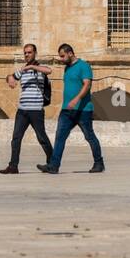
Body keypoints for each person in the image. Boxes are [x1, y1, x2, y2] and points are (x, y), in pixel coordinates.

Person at [38, 43, 104, 174]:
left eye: (63, 56)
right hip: (67, 110)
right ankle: (54, 166)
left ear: (70, 53)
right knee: (60, 136)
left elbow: (87, 85)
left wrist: (76, 99)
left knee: (89, 136)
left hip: (83, 110)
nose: (61, 59)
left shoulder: (84, 66)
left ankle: (99, 163)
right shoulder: (67, 68)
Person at [0, 43, 53, 174]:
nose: (27, 55)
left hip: (36, 110)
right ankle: (13, 166)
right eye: (25, 53)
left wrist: (31, 66)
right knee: (16, 138)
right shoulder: (22, 70)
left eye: (29, 52)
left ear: (35, 53)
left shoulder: (39, 69)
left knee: (41, 137)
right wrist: (9, 79)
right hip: (22, 110)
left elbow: (49, 71)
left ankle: (52, 162)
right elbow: (11, 76)